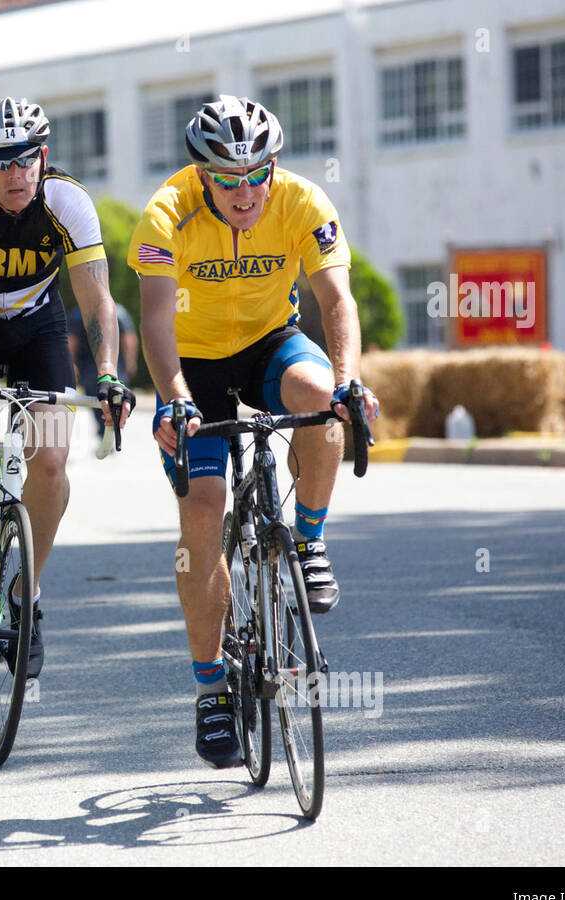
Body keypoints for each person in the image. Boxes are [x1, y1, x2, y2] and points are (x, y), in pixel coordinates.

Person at [131, 95, 380, 768]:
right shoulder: (165, 214)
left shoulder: (303, 202)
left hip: (271, 343)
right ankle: (212, 690)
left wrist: (351, 381)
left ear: (274, 166)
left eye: (256, 175)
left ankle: (308, 538)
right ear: (201, 174)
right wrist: (175, 399)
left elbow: (336, 300)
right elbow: (155, 322)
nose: (244, 194)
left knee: (326, 404)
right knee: (204, 514)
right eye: (226, 179)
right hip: (193, 369)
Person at [0, 97, 134, 680]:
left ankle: (25, 598)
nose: (15, 173)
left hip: (39, 325)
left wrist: (107, 373)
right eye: (0, 160)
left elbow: (96, 301)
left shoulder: (67, 199)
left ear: (43, 156)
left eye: (25, 159)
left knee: (53, 459)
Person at [65, 301, 139, 438]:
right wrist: (130, 361)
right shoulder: (119, 311)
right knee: (114, 400)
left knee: (97, 403)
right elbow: (128, 339)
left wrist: (71, 364)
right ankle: (109, 431)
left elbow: (71, 341)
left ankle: (105, 432)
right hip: (114, 368)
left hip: (90, 370)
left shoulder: (79, 313)